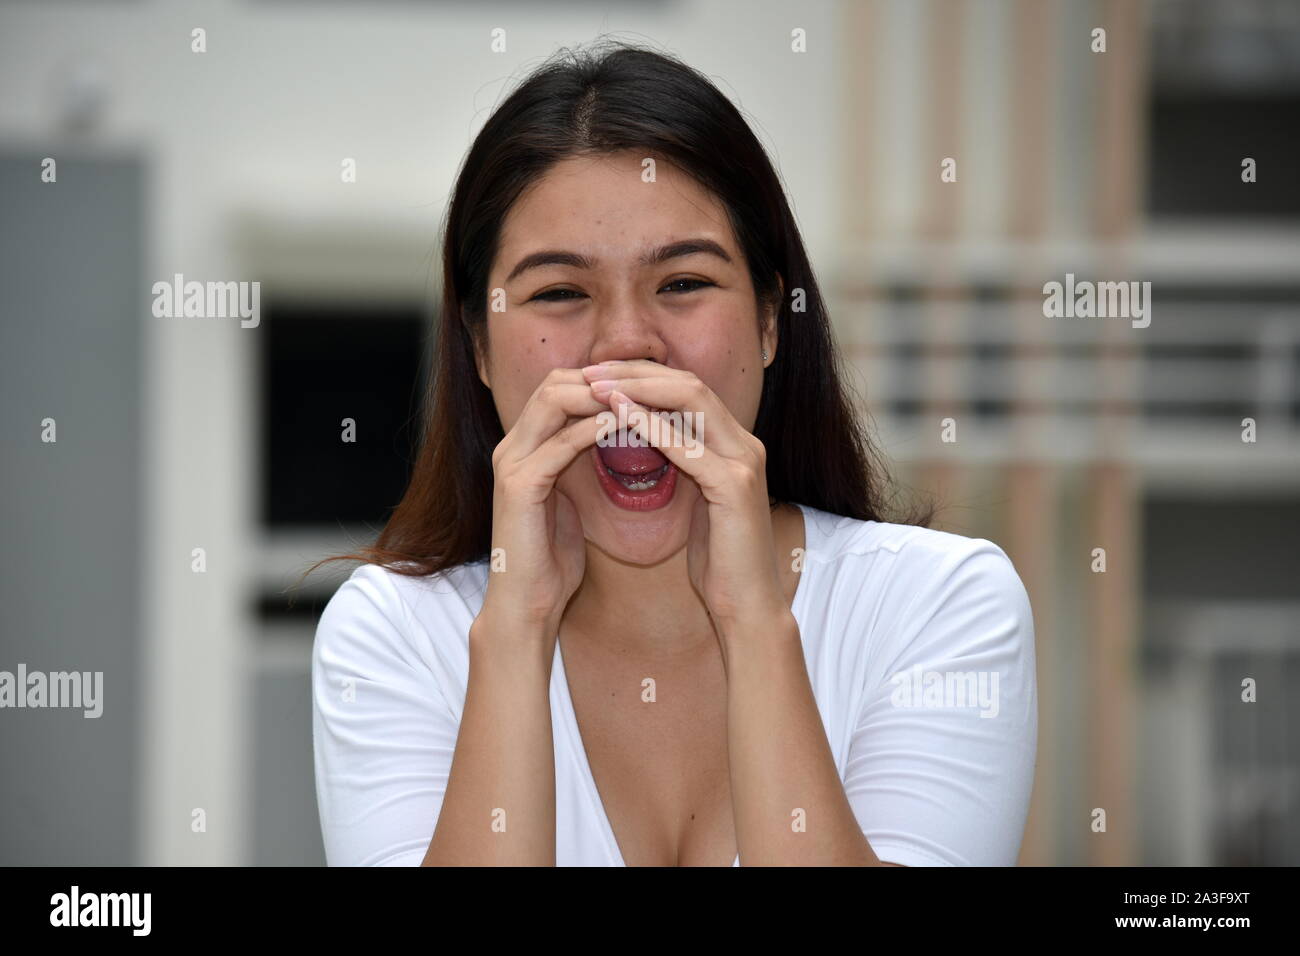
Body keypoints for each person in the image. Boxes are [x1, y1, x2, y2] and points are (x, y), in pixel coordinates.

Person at [308, 40, 1037, 866]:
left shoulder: (940, 606)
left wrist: (753, 623)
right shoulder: (390, 635)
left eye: (683, 283)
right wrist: (516, 631)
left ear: (771, 319)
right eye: (558, 293)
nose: (626, 347)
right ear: (476, 345)